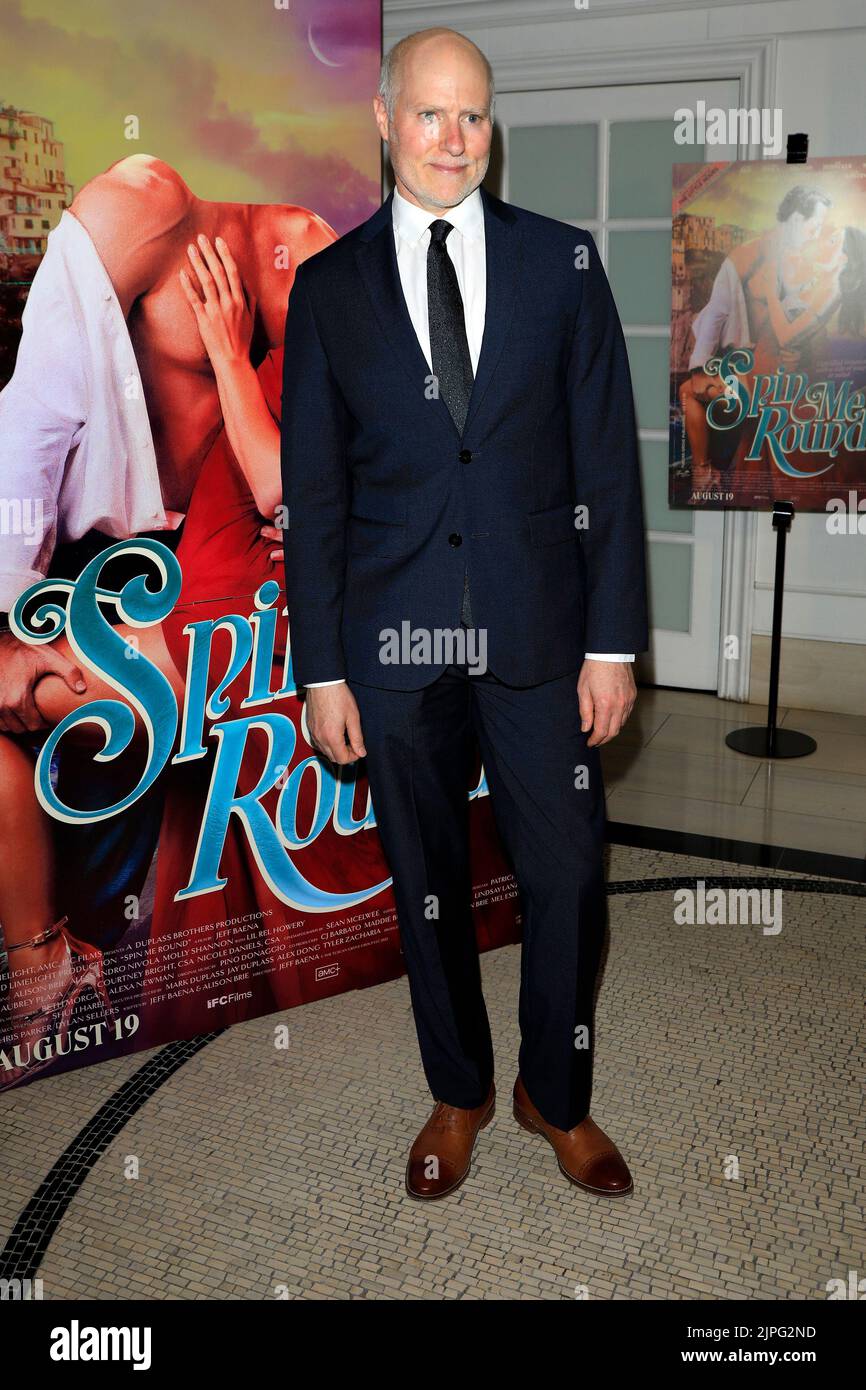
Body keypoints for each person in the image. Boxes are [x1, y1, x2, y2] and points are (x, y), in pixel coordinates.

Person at [280, 27, 649, 1200]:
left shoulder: (564, 266)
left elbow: (605, 466)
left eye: (474, 116)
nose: (454, 139)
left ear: (494, 128)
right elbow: (318, 494)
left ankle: (556, 1089)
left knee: (569, 875)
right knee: (424, 876)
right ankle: (460, 1090)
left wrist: (611, 642)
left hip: (539, 634)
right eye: (430, 115)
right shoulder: (327, 288)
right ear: (385, 120)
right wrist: (322, 666)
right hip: (391, 642)